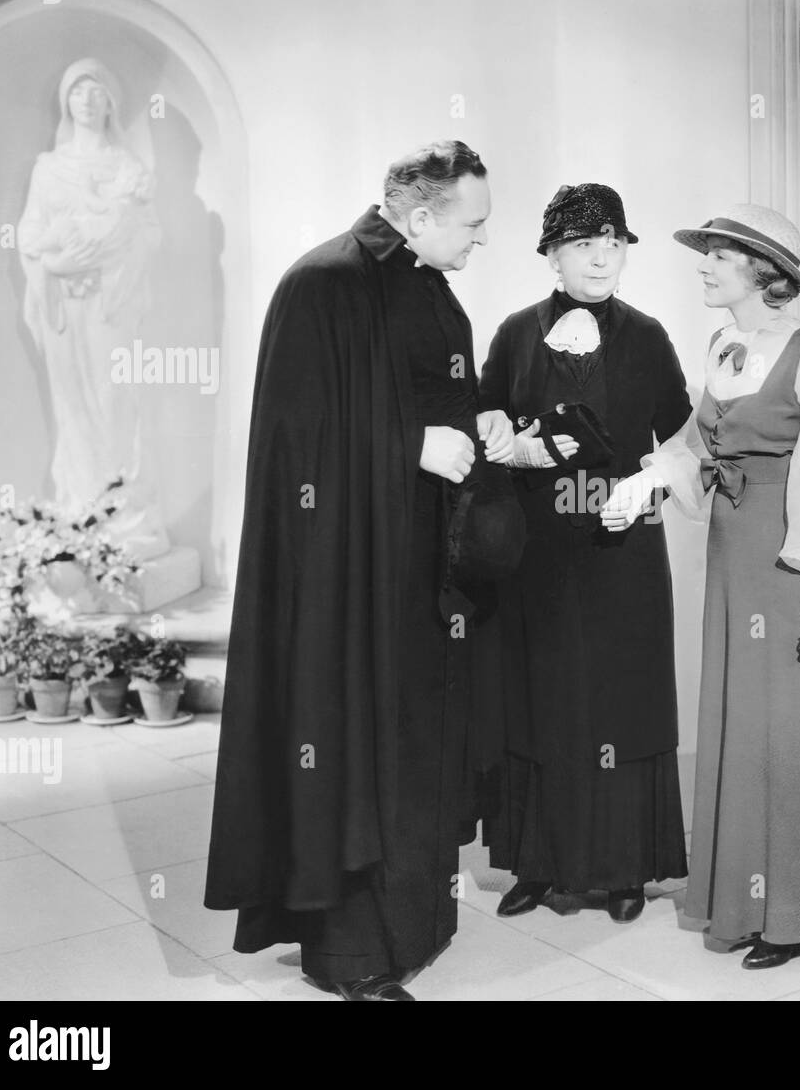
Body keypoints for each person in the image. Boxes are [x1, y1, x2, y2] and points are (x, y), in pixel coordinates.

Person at [204, 140, 515, 1002]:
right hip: (346, 579)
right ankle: (353, 954)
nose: (482, 238)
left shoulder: (419, 281)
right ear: (420, 216)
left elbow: (424, 390)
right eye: (474, 221)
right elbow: (297, 441)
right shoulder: (324, 284)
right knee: (353, 745)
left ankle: (415, 924)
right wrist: (415, 446)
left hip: (417, 567)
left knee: (414, 743)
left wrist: (477, 425)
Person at [603, 205, 800, 968]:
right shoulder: (727, 346)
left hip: (792, 554)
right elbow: (698, 440)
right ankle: (743, 902)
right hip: (734, 552)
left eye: (718, 257)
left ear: (763, 272)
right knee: (741, 720)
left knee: (791, 730)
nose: (703, 266)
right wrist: (648, 482)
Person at [478, 183, 692, 923]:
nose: (602, 258)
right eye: (582, 245)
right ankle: (538, 863)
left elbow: (688, 440)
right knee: (541, 697)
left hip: (626, 548)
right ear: (551, 255)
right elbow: (487, 422)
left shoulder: (649, 335)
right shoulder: (512, 334)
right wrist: (513, 446)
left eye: (614, 243)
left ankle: (625, 868)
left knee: (622, 698)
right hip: (539, 553)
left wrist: (650, 482)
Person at [17, 58, 168, 558]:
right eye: (77, 90)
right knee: (73, 408)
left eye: (95, 89)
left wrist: (112, 254)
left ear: (110, 102)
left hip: (111, 307)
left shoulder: (129, 171)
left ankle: (120, 511)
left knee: (115, 401)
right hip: (64, 309)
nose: (86, 99)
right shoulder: (49, 168)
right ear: (66, 102)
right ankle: (79, 509)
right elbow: (31, 238)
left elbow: (150, 240)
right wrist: (57, 262)